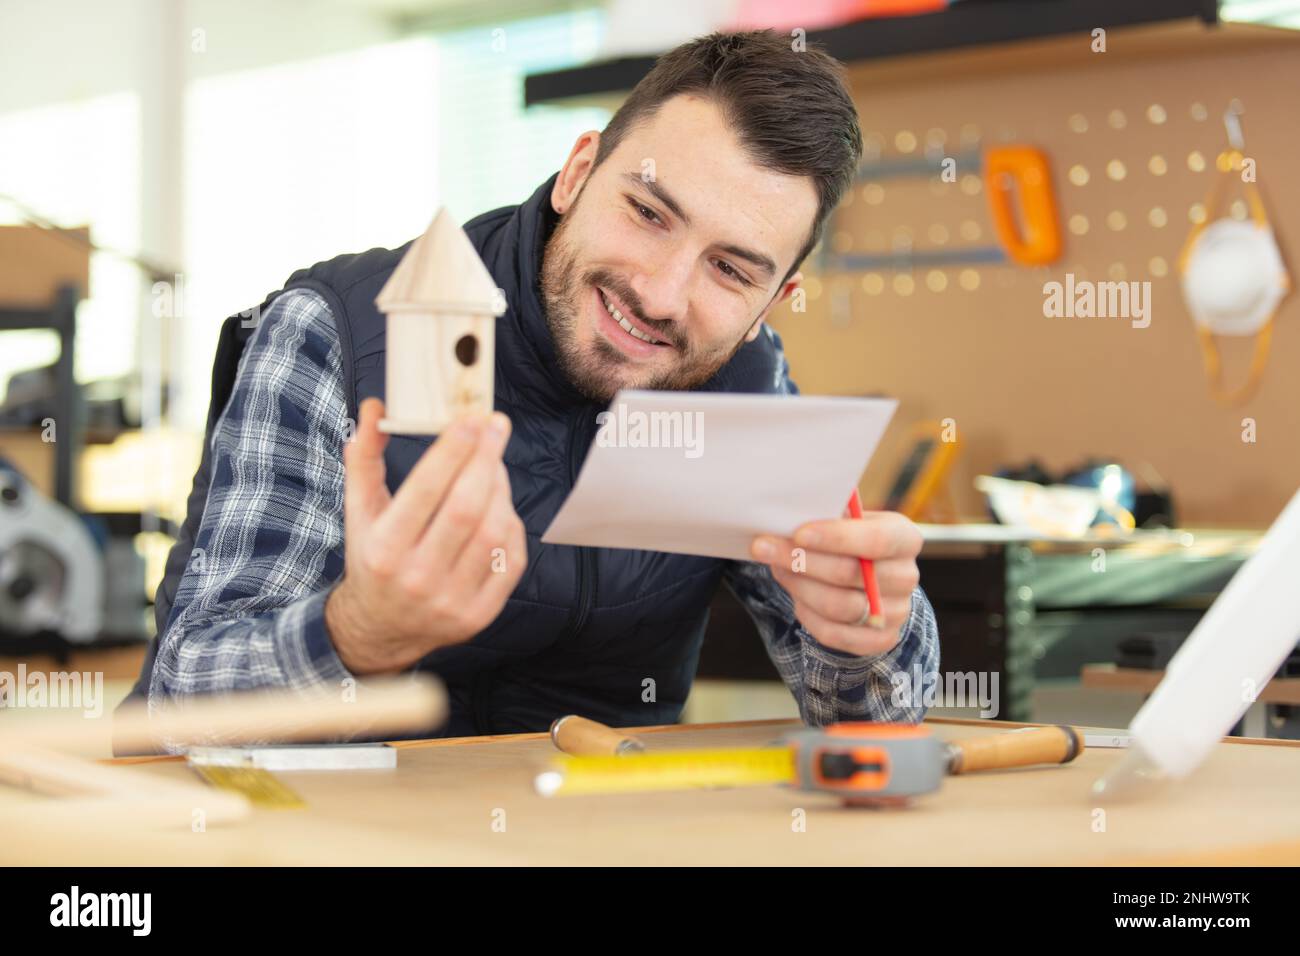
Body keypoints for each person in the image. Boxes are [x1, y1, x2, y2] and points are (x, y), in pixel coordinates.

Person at [128, 29, 939, 739]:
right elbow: (184, 699)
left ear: (774, 302)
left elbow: (871, 723)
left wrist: (868, 636)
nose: (660, 294)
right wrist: (354, 635)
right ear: (577, 173)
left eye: (729, 270)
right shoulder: (338, 329)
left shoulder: (741, 384)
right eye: (649, 213)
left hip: (583, 832)